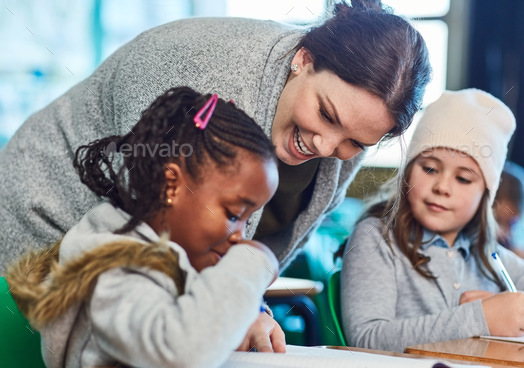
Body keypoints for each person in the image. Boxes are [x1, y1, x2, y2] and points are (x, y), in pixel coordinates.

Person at [0, 0, 431, 273]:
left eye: (356, 142)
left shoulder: (353, 128)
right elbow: (158, 235)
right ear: (304, 58)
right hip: (37, 233)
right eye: (325, 113)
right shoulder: (213, 79)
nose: (325, 147)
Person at [5, 87, 281, 368]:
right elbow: (183, 351)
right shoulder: (115, 267)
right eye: (235, 214)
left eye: (247, 222)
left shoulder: (184, 261)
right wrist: (252, 262)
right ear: (171, 185)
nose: (240, 236)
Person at [341, 89, 524, 352]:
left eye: (463, 178)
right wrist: (482, 317)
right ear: (407, 172)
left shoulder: (483, 252)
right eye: (429, 168)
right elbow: (367, 338)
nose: (442, 187)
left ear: (485, 195)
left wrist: (509, 306)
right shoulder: (376, 237)